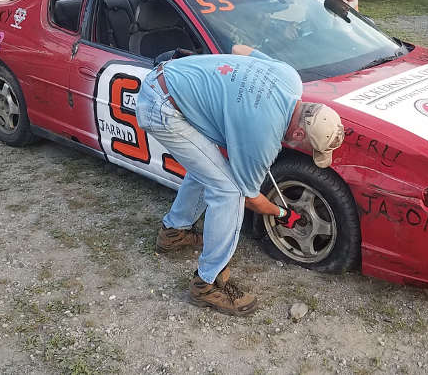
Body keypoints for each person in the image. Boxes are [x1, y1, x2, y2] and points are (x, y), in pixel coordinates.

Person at [135, 45, 345, 316]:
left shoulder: (290, 77)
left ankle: (174, 233)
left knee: (212, 170)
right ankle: (208, 284)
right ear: (299, 132)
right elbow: (248, 197)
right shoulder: (263, 138)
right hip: (162, 106)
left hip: (171, 79)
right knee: (227, 191)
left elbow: (240, 49)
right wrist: (283, 213)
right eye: (309, 146)